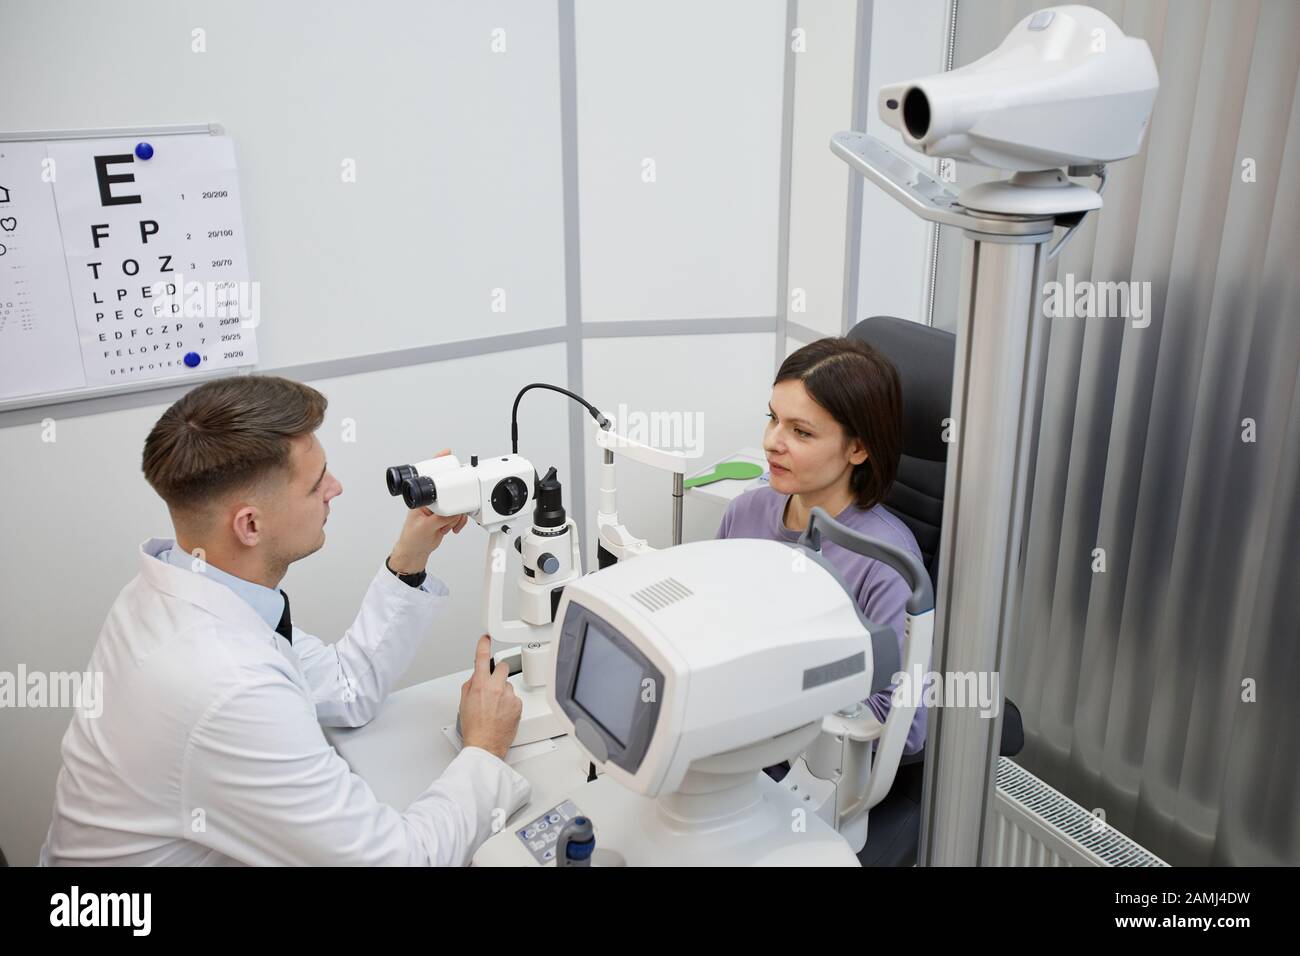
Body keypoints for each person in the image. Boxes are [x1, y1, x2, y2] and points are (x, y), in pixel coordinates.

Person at [40, 375, 528, 865]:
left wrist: (410, 559)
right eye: (317, 484)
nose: (335, 489)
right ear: (250, 524)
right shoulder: (224, 685)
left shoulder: (180, 586)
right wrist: (484, 750)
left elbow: (346, 688)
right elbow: (396, 861)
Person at [717, 337, 927, 756]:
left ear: (858, 448)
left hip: (811, 774)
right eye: (772, 418)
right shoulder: (744, 513)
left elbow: (905, 727)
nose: (773, 441)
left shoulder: (886, 562)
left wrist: (784, 698)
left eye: (801, 432)